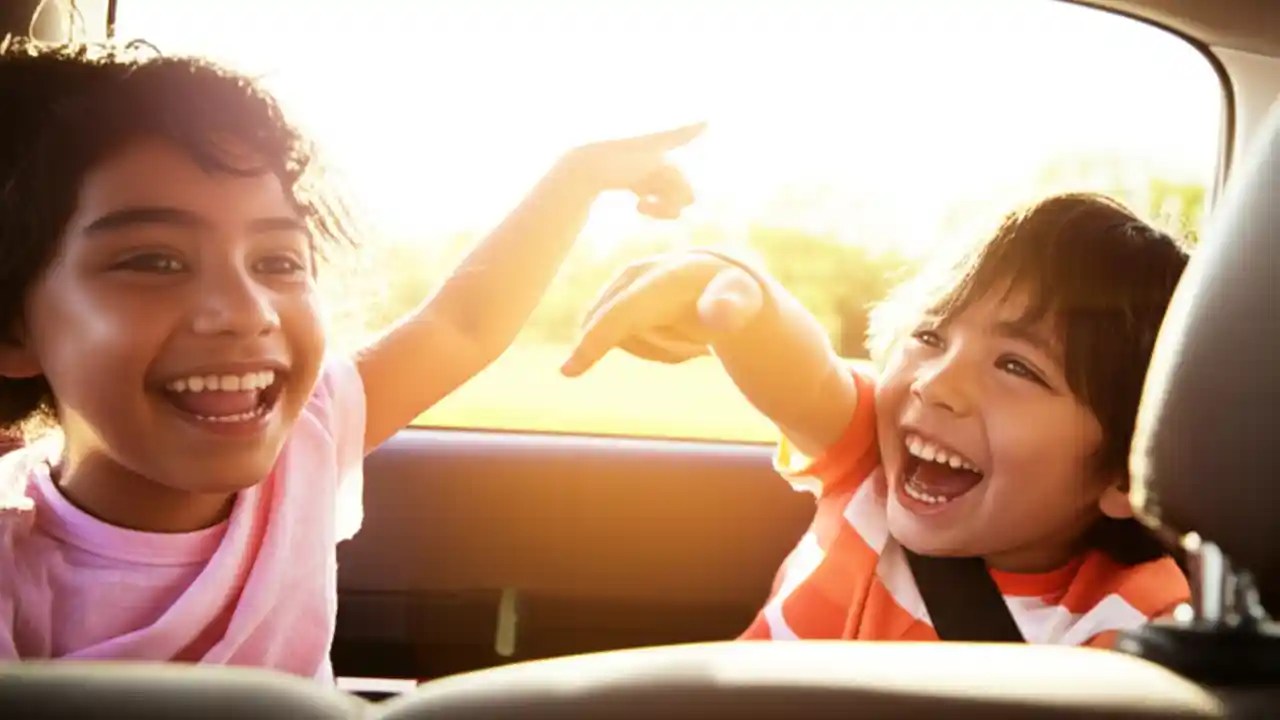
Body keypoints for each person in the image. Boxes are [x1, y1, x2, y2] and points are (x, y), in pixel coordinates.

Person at [0, 37, 702, 680]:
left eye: (277, 261)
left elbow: (462, 325)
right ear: (13, 332)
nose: (247, 310)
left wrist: (578, 178)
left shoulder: (307, 438)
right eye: (156, 262)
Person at [562, 193, 1191, 647]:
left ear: (1127, 472)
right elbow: (805, 375)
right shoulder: (874, 463)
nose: (936, 383)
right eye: (930, 335)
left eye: (1017, 367)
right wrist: (736, 293)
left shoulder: (1134, 622)